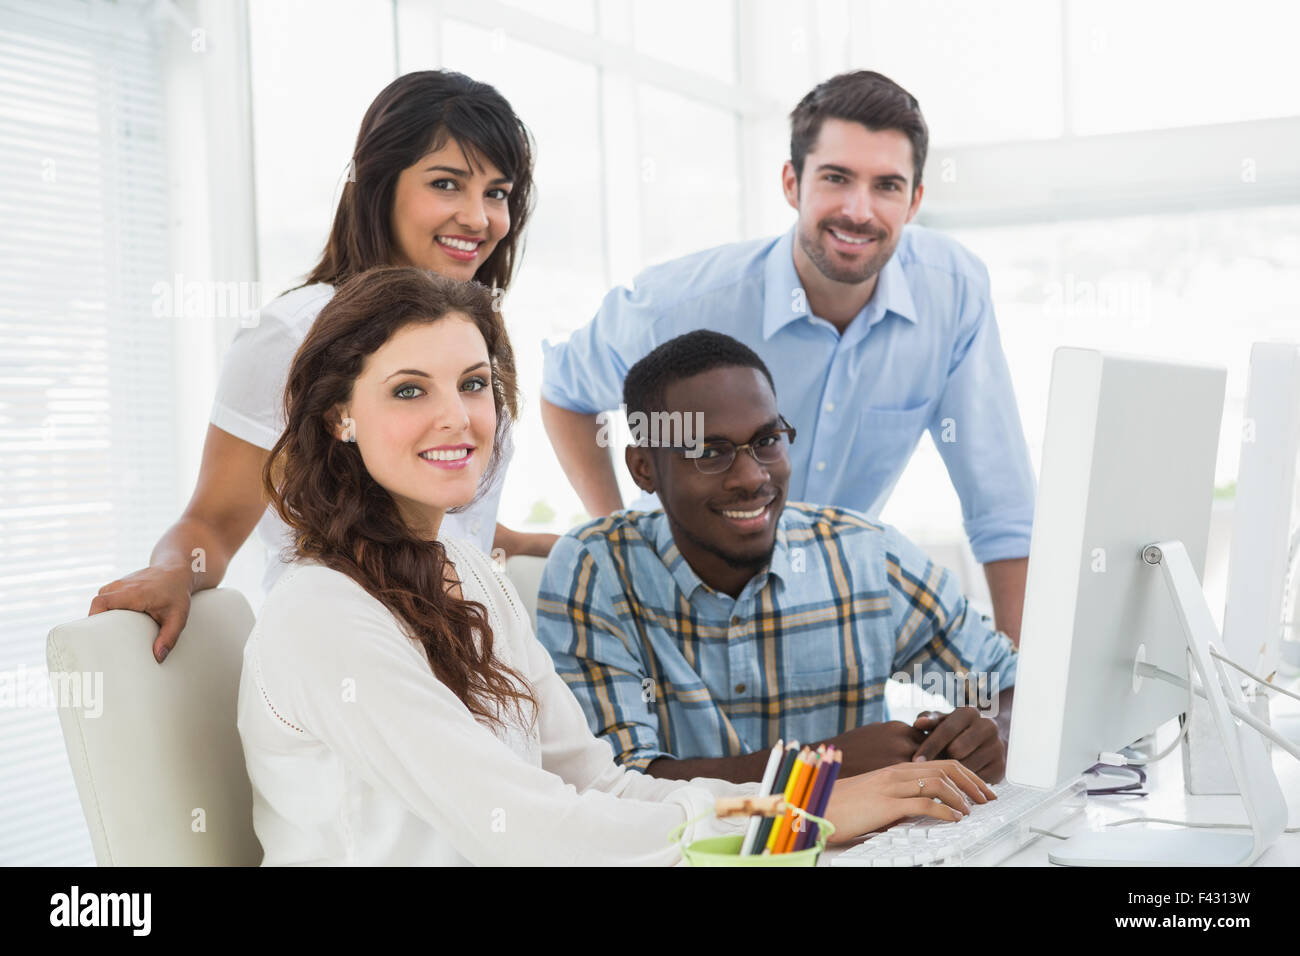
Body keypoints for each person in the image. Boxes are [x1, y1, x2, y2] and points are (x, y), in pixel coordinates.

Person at [237, 267, 994, 866]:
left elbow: (597, 786)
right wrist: (813, 810)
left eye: (473, 384)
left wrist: (809, 811)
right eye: (409, 390)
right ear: (339, 415)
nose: (457, 417)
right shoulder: (324, 612)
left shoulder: (464, 574)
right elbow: (530, 836)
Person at [540, 70, 1035, 643]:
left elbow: (1003, 512)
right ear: (791, 183)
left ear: (915, 199)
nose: (859, 210)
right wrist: (618, 540)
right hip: (686, 619)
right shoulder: (683, 304)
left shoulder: (951, 293)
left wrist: (1022, 697)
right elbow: (564, 392)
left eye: (887, 186)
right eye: (836, 177)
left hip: (832, 623)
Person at [89, 70, 557, 664]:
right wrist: (173, 573)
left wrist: (523, 542)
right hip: (349, 655)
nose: (478, 217)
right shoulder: (290, 334)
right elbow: (212, 521)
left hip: (467, 653)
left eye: (497, 193)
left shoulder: (468, 329)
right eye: (447, 184)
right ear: (377, 185)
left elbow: (441, 513)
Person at [535, 331, 1018, 785]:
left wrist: (987, 736)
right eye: (709, 451)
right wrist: (820, 767)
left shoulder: (866, 557)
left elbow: (1010, 690)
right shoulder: (596, 570)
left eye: (766, 441)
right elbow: (613, 785)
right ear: (644, 469)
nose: (751, 476)